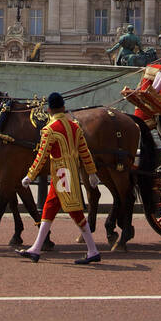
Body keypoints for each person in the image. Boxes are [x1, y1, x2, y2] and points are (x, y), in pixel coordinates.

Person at [18, 93, 102, 264]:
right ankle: (36, 249)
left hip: (62, 174)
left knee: (75, 213)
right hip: (66, 174)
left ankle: (93, 251)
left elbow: (42, 157)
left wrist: (30, 175)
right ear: (63, 107)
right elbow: (84, 151)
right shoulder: (75, 126)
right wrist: (92, 172)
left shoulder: (50, 129)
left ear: (49, 109)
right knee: (49, 209)